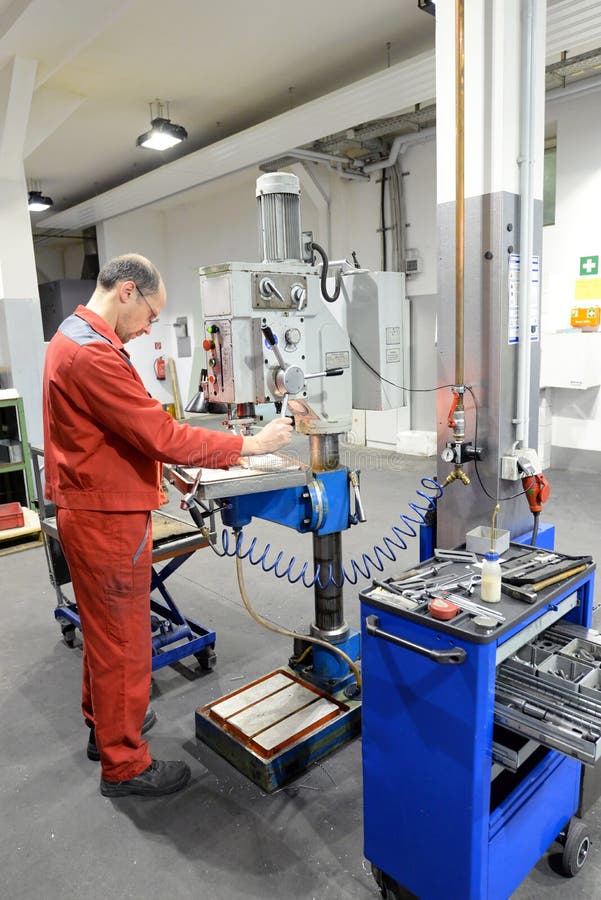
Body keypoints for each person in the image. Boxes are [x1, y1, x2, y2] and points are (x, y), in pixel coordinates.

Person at [42, 253, 293, 798]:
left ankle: (104, 726)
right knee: (125, 642)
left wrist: (167, 470)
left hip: (91, 506)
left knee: (104, 634)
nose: (150, 328)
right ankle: (124, 764)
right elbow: (159, 433)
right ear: (127, 292)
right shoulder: (94, 356)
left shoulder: (75, 336)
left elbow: (123, 433)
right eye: (152, 315)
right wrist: (249, 444)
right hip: (106, 519)